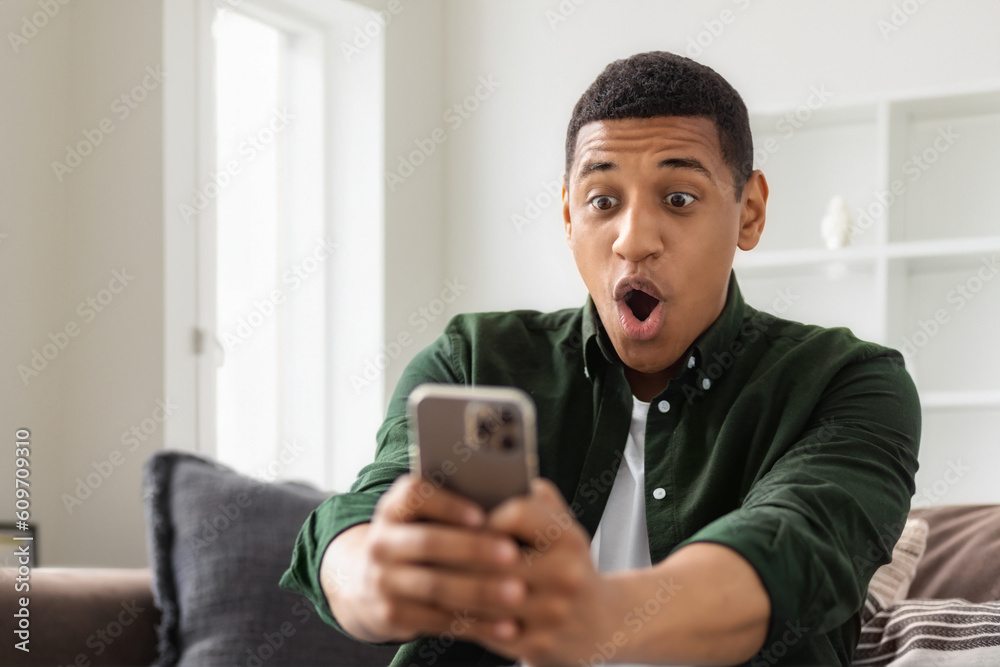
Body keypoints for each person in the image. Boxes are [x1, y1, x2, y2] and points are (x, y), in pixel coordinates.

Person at [279, 51, 920, 667]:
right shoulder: (473, 359)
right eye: (603, 201)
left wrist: (595, 618)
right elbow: (355, 520)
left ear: (748, 213)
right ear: (567, 214)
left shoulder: (848, 381)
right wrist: (371, 575)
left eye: (678, 198)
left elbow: (798, 550)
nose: (633, 240)